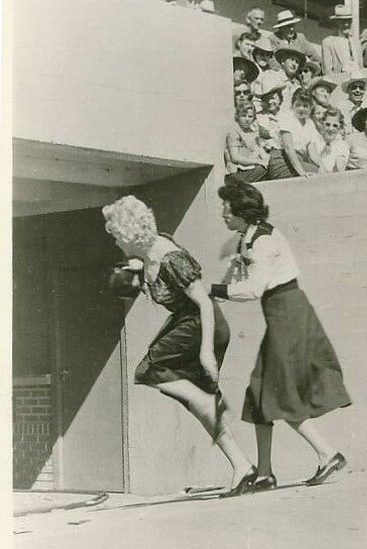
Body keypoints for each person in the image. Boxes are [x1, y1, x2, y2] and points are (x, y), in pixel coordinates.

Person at [102, 196, 257, 495]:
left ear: (128, 234)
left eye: (117, 237)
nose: (116, 243)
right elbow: (150, 272)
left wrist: (206, 353)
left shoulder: (169, 258)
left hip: (201, 323)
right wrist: (138, 270)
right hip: (187, 323)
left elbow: (204, 302)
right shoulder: (148, 255)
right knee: (202, 406)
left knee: (149, 369)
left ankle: (202, 399)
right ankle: (242, 467)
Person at [213, 183, 351, 489]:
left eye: (227, 207)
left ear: (242, 211)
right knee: (259, 392)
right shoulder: (249, 236)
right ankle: (265, 474)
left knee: (279, 393)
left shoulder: (262, 241)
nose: (223, 213)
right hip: (280, 314)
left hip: (288, 314)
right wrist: (216, 290)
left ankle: (328, 455)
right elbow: (238, 274)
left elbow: (253, 289)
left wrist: (212, 289)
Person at [278, 89, 321, 177]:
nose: (301, 109)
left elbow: (313, 153)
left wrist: (322, 166)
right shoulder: (286, 117)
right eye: (298, 105)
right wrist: (301, 172)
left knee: (321, 172)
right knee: (314, 176)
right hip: (283, 160)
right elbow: (288, 148)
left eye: (305, 106)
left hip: (298, 161)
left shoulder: (310, 124)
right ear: (292, 105)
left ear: (310, 107)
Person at [225, 100, 269, 184]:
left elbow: (259, 152)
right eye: (243, 116)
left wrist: (266, 160)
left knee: (270, 167)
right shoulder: (234, 133)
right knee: (262, 169)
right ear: (237, 116)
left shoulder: (253, 133)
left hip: (250, 169)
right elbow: (235, 157)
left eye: (250, 116)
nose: (247, 119)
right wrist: (258, 162)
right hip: (236, 172)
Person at [321, 5, 361, 76]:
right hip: (340, 80)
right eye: (343, 21)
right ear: (336, 22)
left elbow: (361, 67)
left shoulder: (356, 42)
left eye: (349, 20)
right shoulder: (328, 43)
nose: (346, 24)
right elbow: (328, 72)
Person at [312, 106, 349, 174]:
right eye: (327, 124)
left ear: (340, 127)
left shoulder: (342, 145)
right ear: (322, 123)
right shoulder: (314, 140)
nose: (331, 129)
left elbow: (340, 169)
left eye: (335, 126)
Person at [333, 71, 367, 136]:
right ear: (348, 90)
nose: (358, 90)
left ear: (364, 91)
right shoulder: (339, 108)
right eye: (354, 87)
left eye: (361, 88)